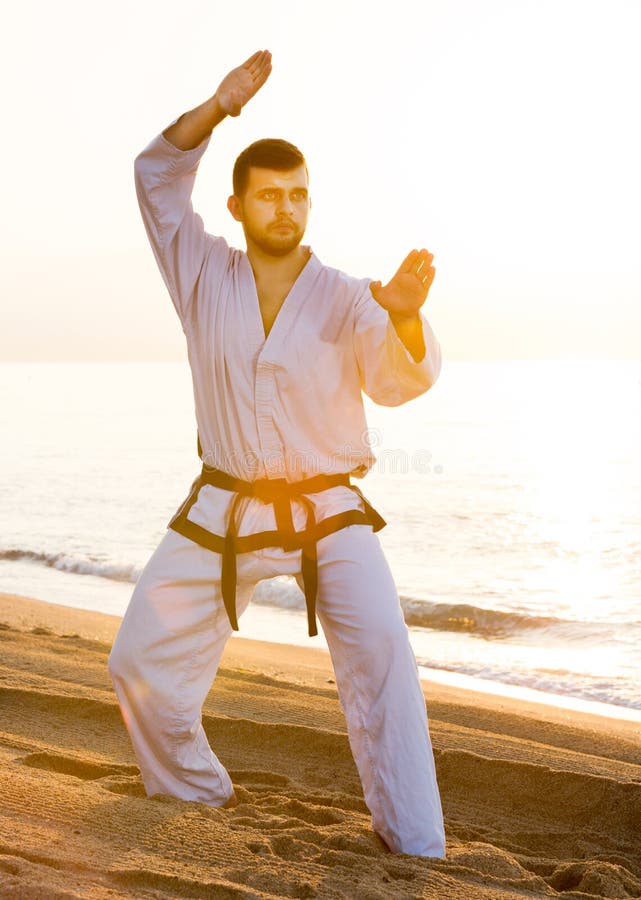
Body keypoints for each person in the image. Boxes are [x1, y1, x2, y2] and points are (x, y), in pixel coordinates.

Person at [107, 49, 446, 858]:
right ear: (238, 203)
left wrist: (399, 316)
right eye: (270, 195)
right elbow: (154, 175)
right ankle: (195, 796)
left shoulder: (347, 296)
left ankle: (415, 843)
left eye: (298, 194)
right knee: (136, 661)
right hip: (225, 504)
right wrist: (220, 104)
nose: (287, 208)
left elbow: (399, 381)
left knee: (385, 661)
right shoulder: (198, 269)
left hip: (328, 509)